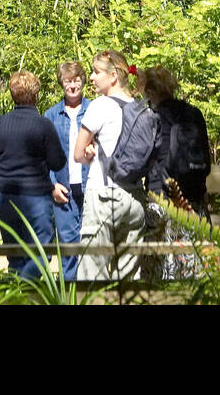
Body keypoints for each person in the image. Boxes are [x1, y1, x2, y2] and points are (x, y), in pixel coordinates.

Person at [74, 49, 151, 283]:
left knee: (92, 274)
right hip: (135, 198)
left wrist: (89, 152)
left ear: (114, 76)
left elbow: (78, 154)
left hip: (104, 197)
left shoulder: (100, 106)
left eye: (97, 72)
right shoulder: (142, 108)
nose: (93, 78)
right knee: (128, 280)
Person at [0, 70, 66, 278]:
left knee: (15, 254)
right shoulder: (44, 125)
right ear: (36, 95)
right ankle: (27, 290)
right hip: (36, 197)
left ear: (12, 95)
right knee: (39, 253)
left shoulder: (0, 124)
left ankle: (16, 293)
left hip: (6, 199)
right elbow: (57, 162)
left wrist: (2, 180)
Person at [138, 65, 212, 281]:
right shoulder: (194, 113)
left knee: (159, 274)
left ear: (150, 91)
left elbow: (144, 157)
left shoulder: (153, 117)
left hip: (161, 199)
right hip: (194, 201)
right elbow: (206, 158)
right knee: (195, 270)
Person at [44, 59, 91, 280]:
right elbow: (43, 157)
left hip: (90, 188)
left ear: (83, 81)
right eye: (67, 81)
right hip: (63, 190)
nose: (72, 86)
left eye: (76, 80)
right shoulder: (51, 116)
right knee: (68, 250)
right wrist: (52, 185)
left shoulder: (94, 110)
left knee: (92, 250)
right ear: (61, 84)